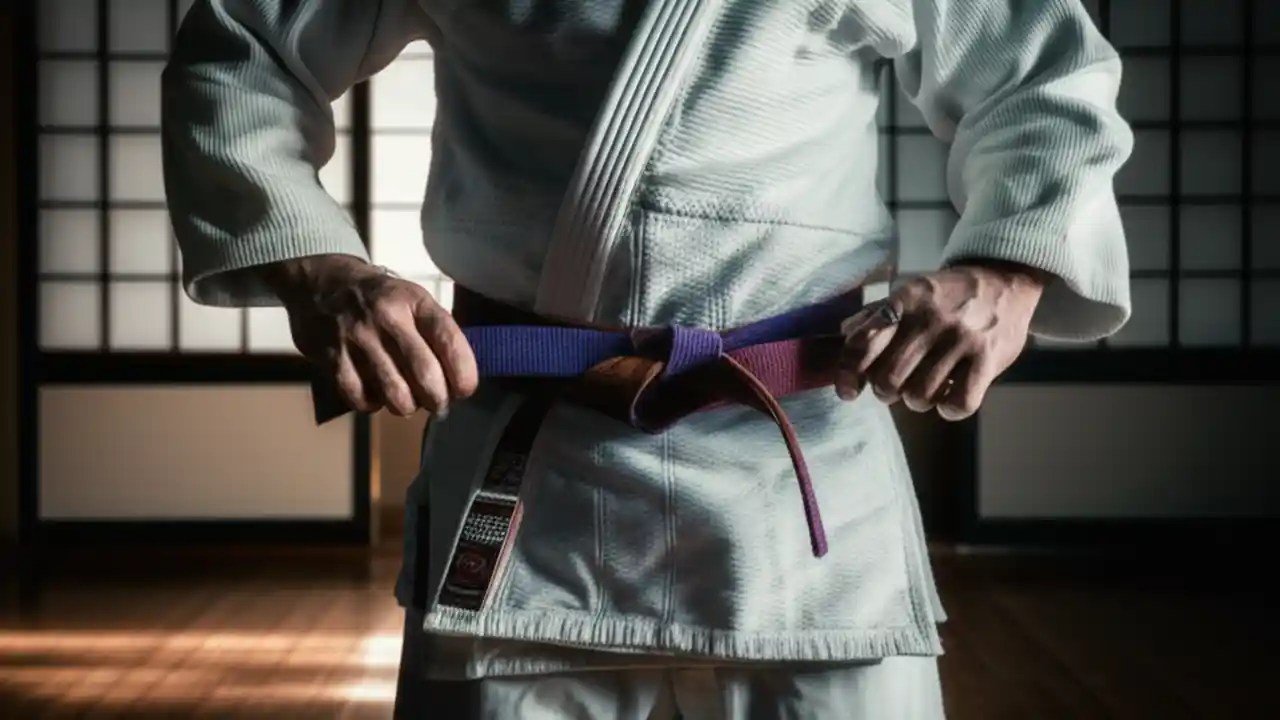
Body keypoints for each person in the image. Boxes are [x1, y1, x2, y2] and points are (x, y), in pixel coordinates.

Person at [162, 0, 1133, 716]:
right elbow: (239, 52)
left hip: (800, 473)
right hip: (534, 480)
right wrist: (320, 269)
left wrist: (1005, 272)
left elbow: (1040, 78)